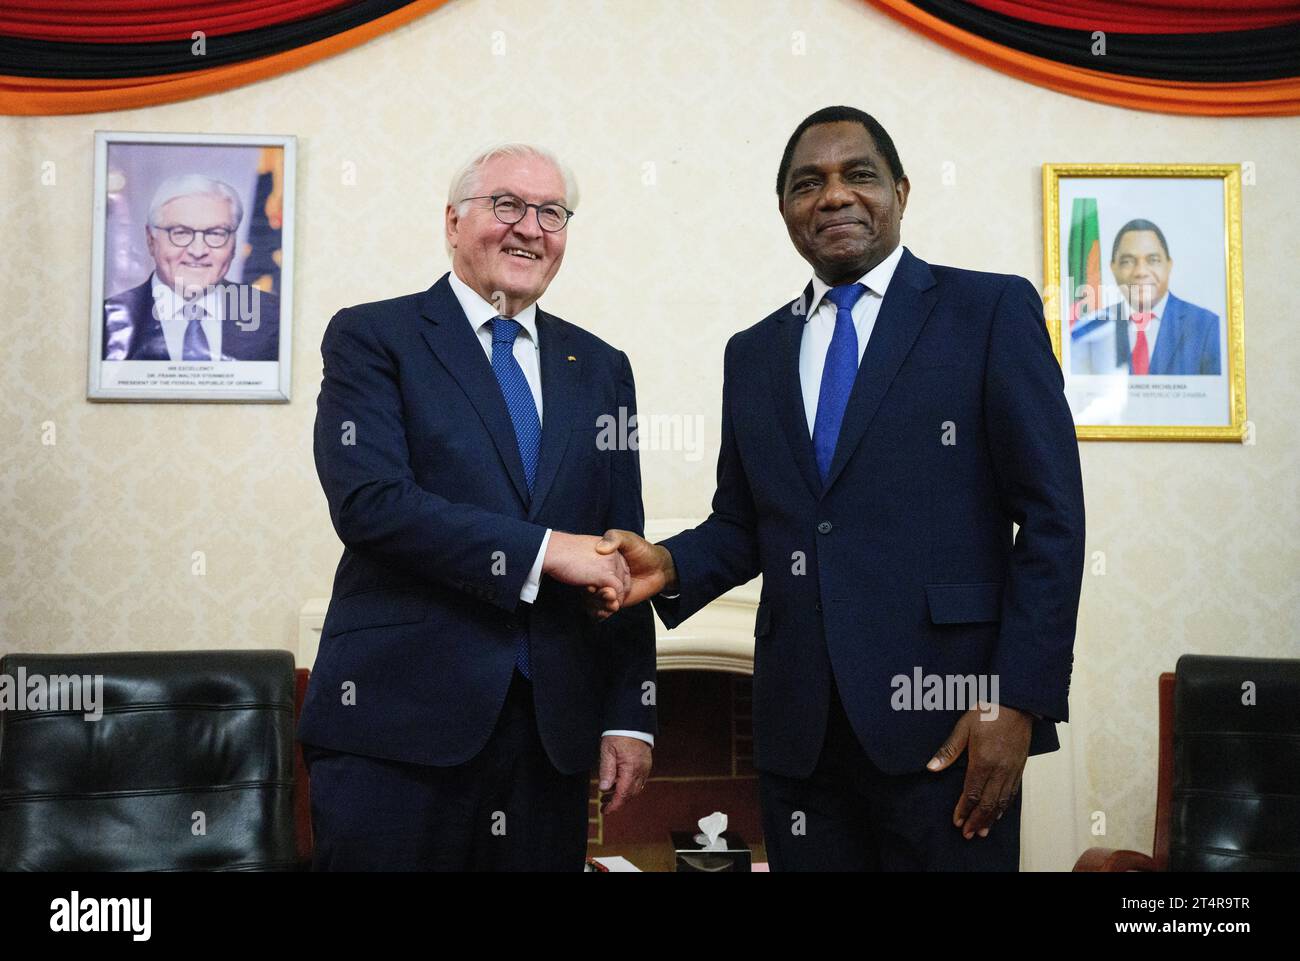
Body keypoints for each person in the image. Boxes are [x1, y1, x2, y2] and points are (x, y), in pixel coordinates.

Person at [594, 107, 1085, 871]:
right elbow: (748, 521)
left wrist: (1016, 697)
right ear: (785, 208)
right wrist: (668, 561)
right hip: (801, 737)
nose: (832, 196)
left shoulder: (988, 311)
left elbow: (1053, 519)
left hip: (947, 723)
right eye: (806, 183)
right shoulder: (753, 352)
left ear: (901, 191)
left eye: (858, 174)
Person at [297, 143, 656, 871]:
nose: (530, 227)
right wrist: (543, 547)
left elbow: (623, 551)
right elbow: (371, 502)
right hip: (396, 731)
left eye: (551, 212)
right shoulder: (374, 337)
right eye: (507, 205)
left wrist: (630, 715)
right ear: (453, 222)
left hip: (547, 740)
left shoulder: (603, 368)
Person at [102, 174, 279, 362]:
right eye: (180, 233)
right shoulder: (107, 320)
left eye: (216, 234)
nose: (198, 251)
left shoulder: (275, 317)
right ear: (150, 239)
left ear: (234, 244)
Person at [1070, 218, 1221, 376]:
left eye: (1153, 260)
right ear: (1113, 268)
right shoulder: (1090, 328)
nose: (1141, 271)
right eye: (1127, 262)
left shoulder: (1206, 325)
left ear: (1169, 265)